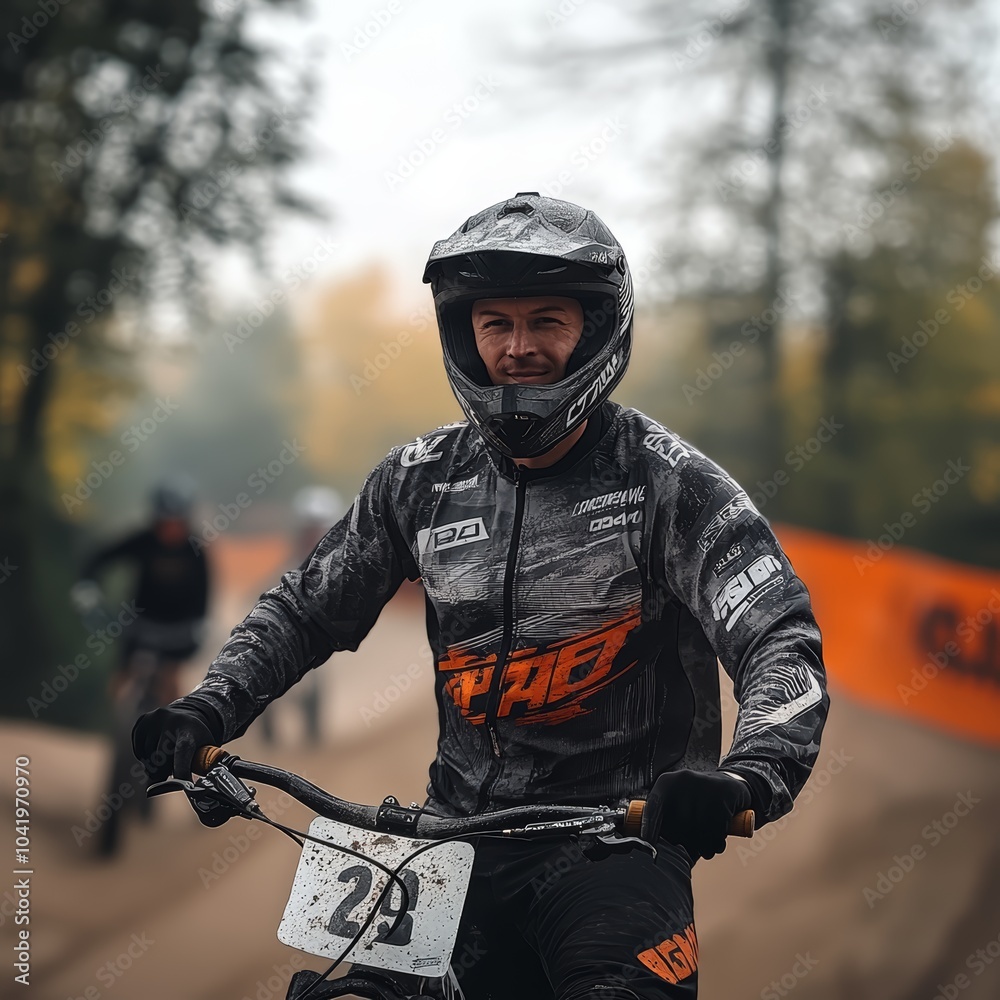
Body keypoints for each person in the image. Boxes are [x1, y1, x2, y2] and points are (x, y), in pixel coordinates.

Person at [133, 193, 828, 998]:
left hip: (616, 850)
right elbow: (304, 607)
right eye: (494, 323)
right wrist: (207, 709)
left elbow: (779, 636)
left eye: (546, 321)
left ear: (597, 331)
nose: (517, 347)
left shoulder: (671, 484)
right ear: (463, 332)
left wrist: (746, 776)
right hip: (446, 837)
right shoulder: (419, 478)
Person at [75, 475, 211, 855]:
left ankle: (159, 763)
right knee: (120, 687)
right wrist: (86, 589)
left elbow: (204, 595)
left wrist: (199, 626)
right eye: (164, 521)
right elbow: (99, 558)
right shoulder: (142, 541)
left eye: (176, 522)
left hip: (176, 635)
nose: (169, 529)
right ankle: (119, 731)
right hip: (137, 630)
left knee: (170, 699)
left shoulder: (195, 551)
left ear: (184, 521)